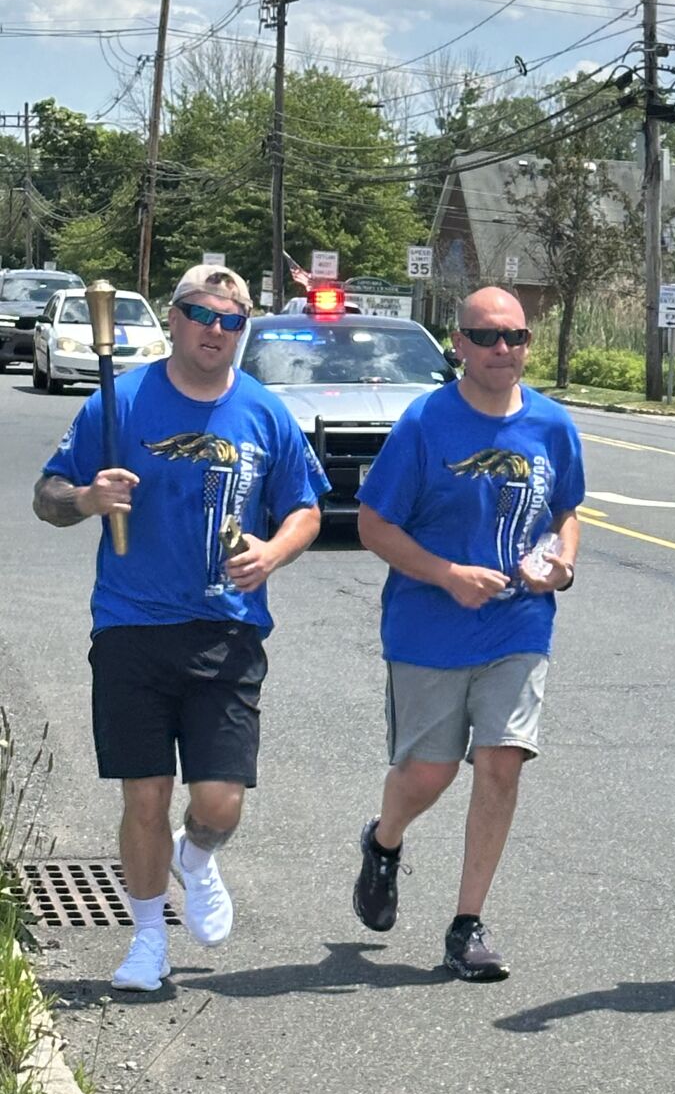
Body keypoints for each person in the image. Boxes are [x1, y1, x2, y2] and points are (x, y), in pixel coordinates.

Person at [34, 263, 328, 992]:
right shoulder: (122, 399)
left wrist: (273, 550)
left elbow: (307, 508)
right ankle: (145, 940)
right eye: (202, 314)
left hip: (227, 631)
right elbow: (47, 494)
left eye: (232, 321)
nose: (216, 330)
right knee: (143, 795)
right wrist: (87, 496)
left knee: (218, 801)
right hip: (132, 625)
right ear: (174, 317)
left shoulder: (264, 412)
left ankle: (195, 856)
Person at [351, 286, 583, 982]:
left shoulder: (551, 424)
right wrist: (448, 573)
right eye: (485, 337)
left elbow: (565, 511)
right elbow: (373, 524)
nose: (502, 349)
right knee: (429, 772)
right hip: (428, 626)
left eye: (514, 336)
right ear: (458, 343)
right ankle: (384, 840)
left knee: (502, 759)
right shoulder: (426, 422)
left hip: (518, 622)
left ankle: (466, 923)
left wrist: (562, 563)